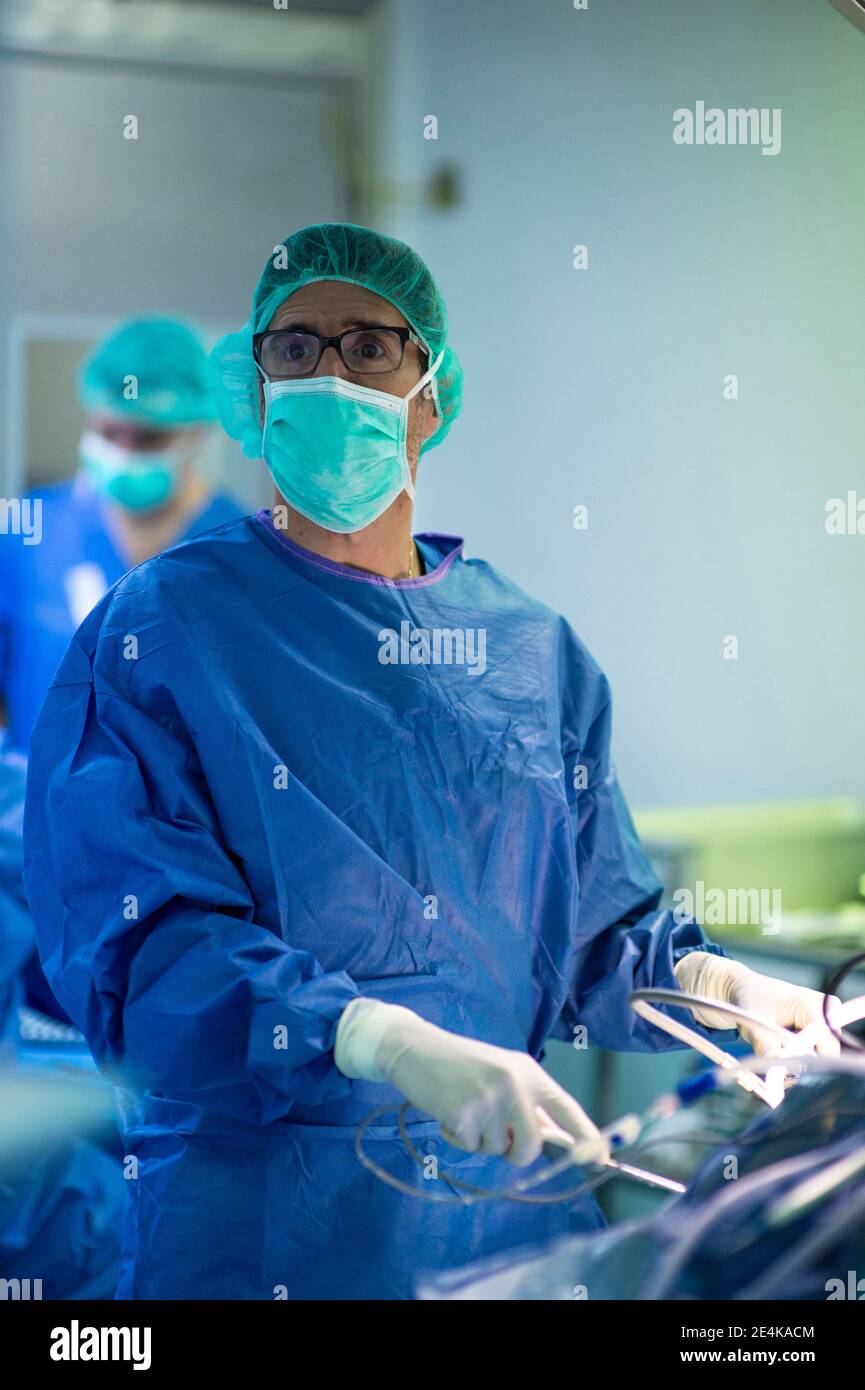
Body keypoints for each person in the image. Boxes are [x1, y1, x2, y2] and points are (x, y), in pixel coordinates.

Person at [23, 224, 839, 1300]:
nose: (329, 374)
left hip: (501, 1210)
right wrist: (370, 1036)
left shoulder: (528, 649)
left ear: (431, 393)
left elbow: (587, 927)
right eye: (296, 350)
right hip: (258, 1229)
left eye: (370, 348)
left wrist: (713, 986)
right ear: (254, 394)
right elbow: (142, 944)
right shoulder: (165, 628)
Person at [0, 317, 243, 752]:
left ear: (197, 431)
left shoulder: (238, 553)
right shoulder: (31, 528)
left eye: (148, 437)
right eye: (110, 432)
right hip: (32, 811)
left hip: (178, 817)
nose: (124, 452)